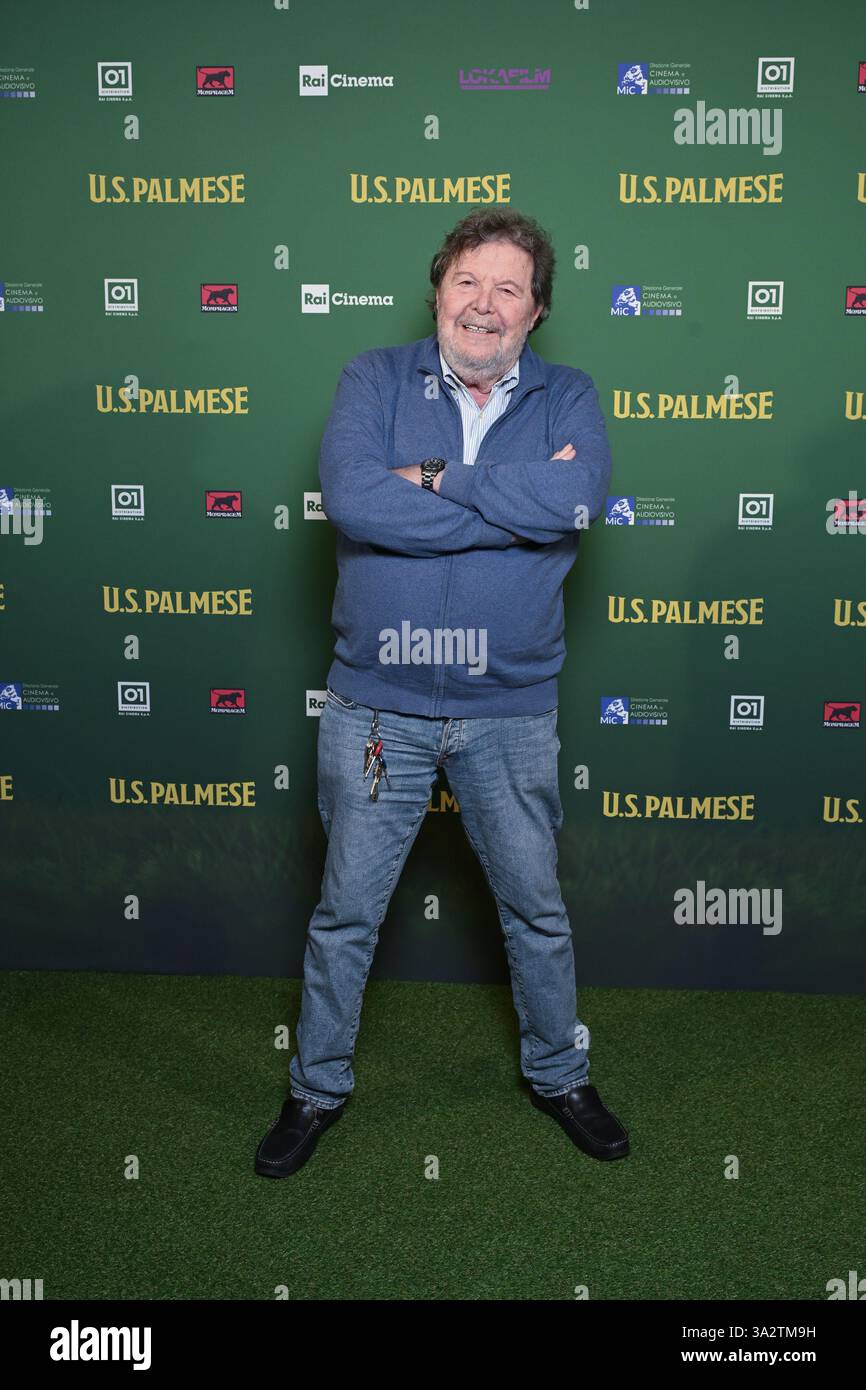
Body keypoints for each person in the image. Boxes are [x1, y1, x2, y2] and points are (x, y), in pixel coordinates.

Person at [255, 207, 628, 1177]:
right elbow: (354, 497)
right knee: (345, 914)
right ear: (437, 290)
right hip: (376, 707)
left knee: (537, 912)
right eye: (468, 281)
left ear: (536, 311)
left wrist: (430, 482)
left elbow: (571, 500)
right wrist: (506, 500)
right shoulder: (372, 380)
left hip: (509, 712)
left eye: (508, 288)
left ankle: (557, 1072)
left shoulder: (570, 398)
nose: (484, 304)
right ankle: (315, 1087)